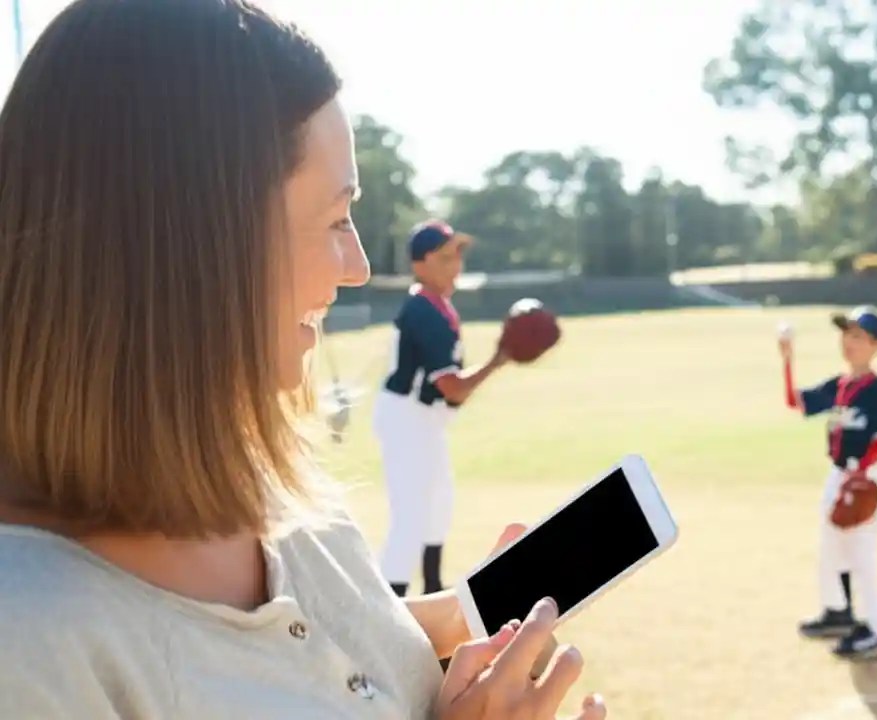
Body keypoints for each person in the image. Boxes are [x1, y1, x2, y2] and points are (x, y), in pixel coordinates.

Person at [0, 2, 604, 718]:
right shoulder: (29, 643)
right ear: (196, 249)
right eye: (336, 218)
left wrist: (484, 606)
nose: (357, 265)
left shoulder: (280, 499)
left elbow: (333, 645)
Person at [375, 220, 508, 597]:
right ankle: (392, 603)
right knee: (411, 518)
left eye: (457, 256)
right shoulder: (424, 311)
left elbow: (450, 394)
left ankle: (432, 588)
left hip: (423, 419)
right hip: (407, 419)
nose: (456, 265)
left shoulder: (438, 306)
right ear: (420, 265)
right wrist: (498, 360)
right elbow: (452, 387)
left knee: (439, 505)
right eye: (445, 257)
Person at [780, 307, 877, 660]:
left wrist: (861, 471)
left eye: (859, 336)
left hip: (861, 476)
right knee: (831, 548)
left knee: (861, 554)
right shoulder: (840, 385)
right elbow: (794, 401)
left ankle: (874, 628)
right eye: (846, 334)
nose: (849, 342)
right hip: (838, 474)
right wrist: (788, 360)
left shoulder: (875, 389)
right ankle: (837, 611)